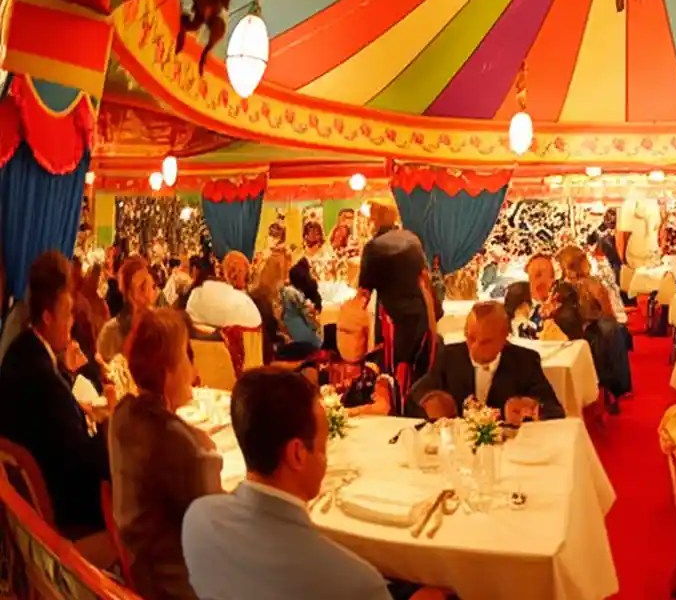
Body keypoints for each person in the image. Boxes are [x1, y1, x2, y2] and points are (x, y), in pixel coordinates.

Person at [182, 368, 394, 599]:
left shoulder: (197, 521)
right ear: (297, 455)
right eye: (323, 449)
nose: (326, 460)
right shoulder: (358, 585)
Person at [109, 308, 222, 598]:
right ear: (167, 370)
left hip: (140, 569)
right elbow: (217, 521)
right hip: (178, 585)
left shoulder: (123, 414)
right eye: (186, 354)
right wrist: (208, 451)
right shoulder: (174, 442)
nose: (192, 367)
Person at [0, 252, 110, 537]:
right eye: (68, 312)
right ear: (48, 316)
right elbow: (83, 461)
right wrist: (110, 426)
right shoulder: (40, 376)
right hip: (61, 507)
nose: (72, 321)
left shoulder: (22, 349)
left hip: (35, 496)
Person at [408, 302, 565, 424]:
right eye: (471, 338)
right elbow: (416, 392)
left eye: (486, 342)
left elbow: (555, 411)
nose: (475, 348)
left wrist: (533, 408)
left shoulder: (524, 361)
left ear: (504, 339)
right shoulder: (449, 356)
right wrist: (430, 399)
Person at [357, 203, 438, 381]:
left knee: (393, 373)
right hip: (420, 311)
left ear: (374, 220)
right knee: (419, 370)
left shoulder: (373, 247)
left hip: (392, 318)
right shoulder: (411, 239)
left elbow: (364, 291)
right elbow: (424, 276)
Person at [97, 256, 158, 366]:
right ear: (127, 293)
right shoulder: (111, 332)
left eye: (147, 285)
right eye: (141, 287)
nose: (146, 293)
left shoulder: (160, 329)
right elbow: (105, 372)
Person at [185, 252, 261, 329]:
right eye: (246, 278)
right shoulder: (245, 305)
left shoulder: (195, 296)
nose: (246, 285)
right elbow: (255, 330)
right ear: (234, 275)